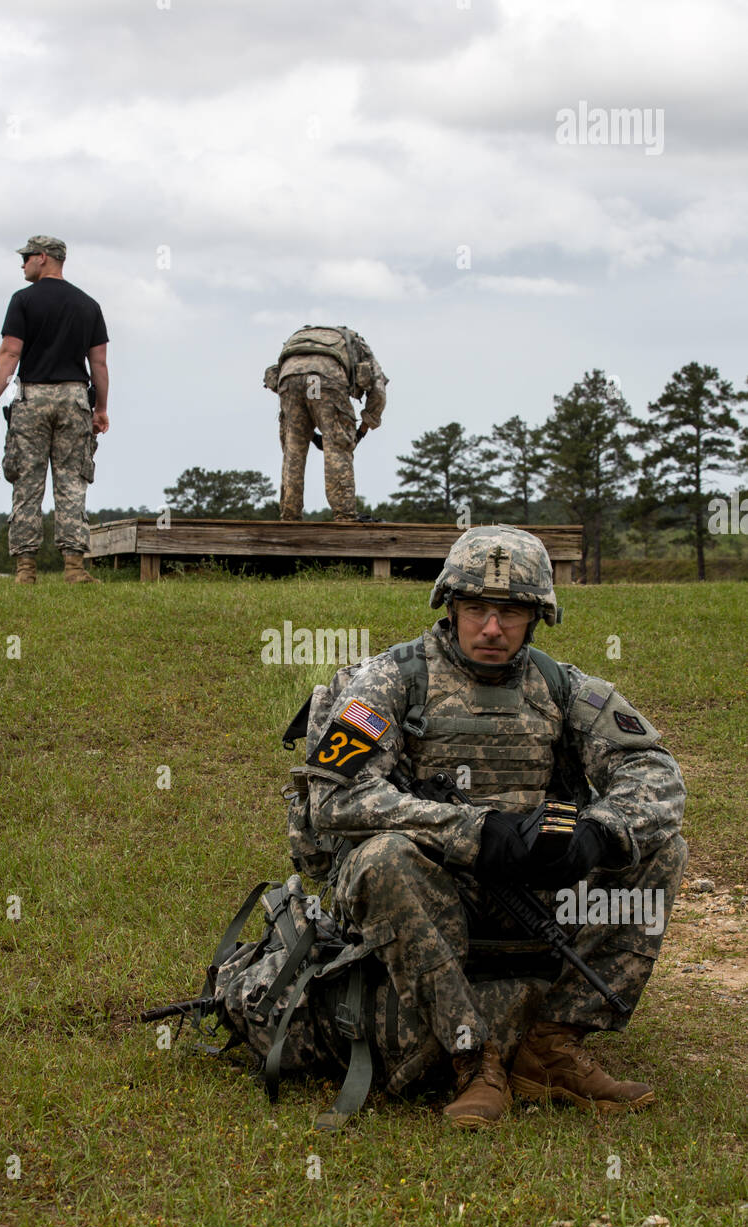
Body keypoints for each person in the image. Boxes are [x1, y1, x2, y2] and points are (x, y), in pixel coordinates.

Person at [306, 525, 687, 1129]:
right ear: (450, 607)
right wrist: (474, 834)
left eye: (510, 612)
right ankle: (472, 1058)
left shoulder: (560, 687)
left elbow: (655, 771)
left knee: (658, 845)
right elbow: (336, 798)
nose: (492, 628)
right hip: (429, 892)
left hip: (531, 889)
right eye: (477, 609)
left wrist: (596, 832)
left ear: (535, 617)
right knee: (384, 856)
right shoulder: (387, 682)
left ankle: (552, 1046)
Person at [0, 235, 109, 585]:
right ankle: (74, 568)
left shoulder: (22, 301)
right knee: (72, 482)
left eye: (26, 258)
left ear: (44, 258)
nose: (22, 265)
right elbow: (99, 364)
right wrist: (101, 409)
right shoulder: (88, 305)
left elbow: (9, 354)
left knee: (27, 483)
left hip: (32, 397)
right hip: (75, 398)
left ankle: (25, 570)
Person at [263, 325, 387, 522]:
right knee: (337, 448)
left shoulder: (299, 338)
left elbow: (281, 383)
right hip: (329, 378)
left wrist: (309, 434)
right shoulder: (356, 343)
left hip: (288, 378)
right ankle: (344, 515)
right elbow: (378, 390)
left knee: (293, 450)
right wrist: (361, 432)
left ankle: (289, 516)